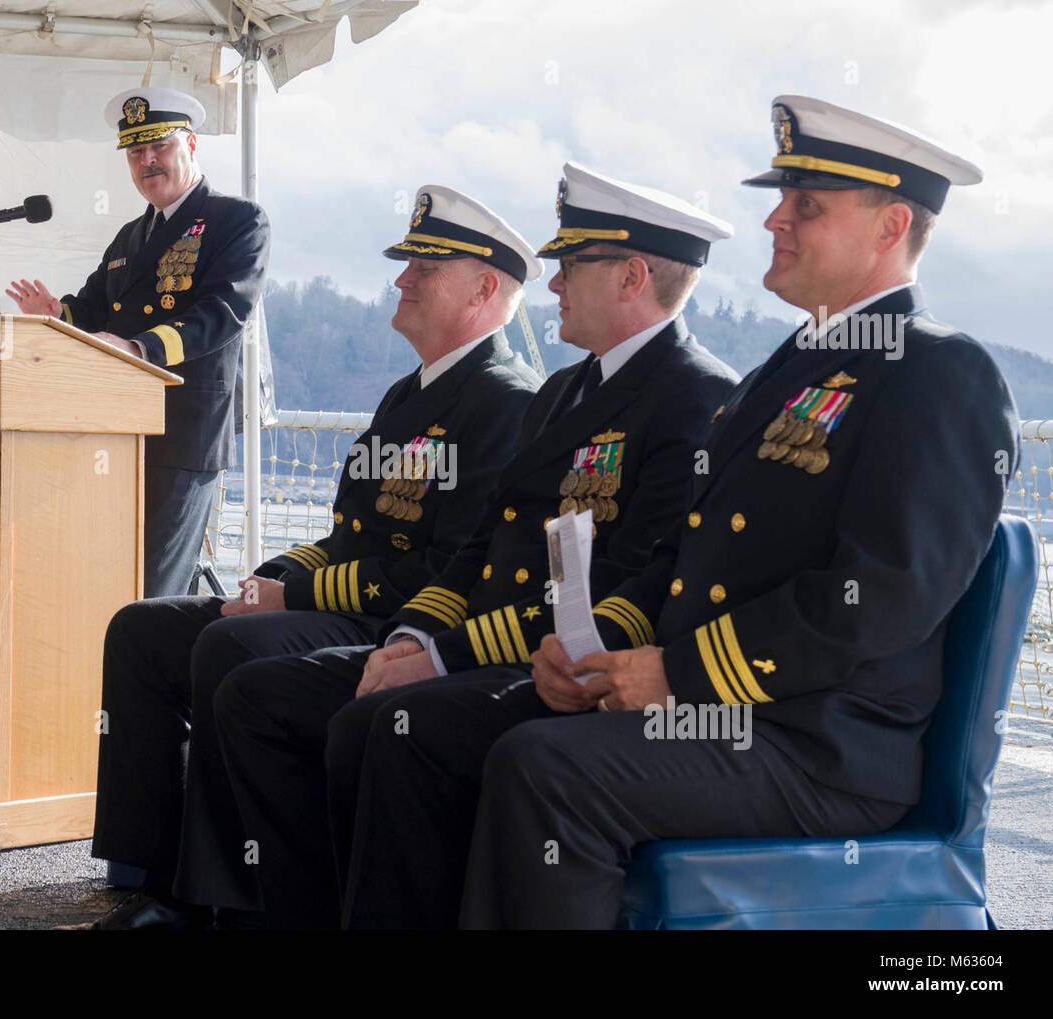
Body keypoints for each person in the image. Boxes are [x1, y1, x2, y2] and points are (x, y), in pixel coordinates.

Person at [454, 94, 1020, 929]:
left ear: (891, 225)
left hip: (816, 748)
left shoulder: (939, 371)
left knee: (546, 771)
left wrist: (678, 678)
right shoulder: (785, 369)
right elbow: (687, 560)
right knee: (442, 731)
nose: (775, 221)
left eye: (806, 206)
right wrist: (594, 650)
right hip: (734, 717)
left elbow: (879, 599)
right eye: (783, 200)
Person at [210, 164, 741, 928]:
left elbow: (627, 587)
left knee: (392, 730)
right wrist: (413, 636)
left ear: (631, 277)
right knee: (262, 696)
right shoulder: (565, 392)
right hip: (483, 640)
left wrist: (448, 657)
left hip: (562, 663)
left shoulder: (697, 396)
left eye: (572, 264)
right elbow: (485, 543)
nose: (552, 284)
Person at [69, 185, 544, 930]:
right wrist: (278, 576)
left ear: (485, 288)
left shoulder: (503, 402)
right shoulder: (405, 398)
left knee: (232, 644)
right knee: (142, 629)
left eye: (424, 267)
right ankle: (144, 872)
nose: (401, 280)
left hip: (398, 624)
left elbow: (452, 569)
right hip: (344, 601)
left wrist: (294, 600)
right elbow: (348, 534)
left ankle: (221, 899)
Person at [6, 87, 270, 597]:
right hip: (113, 431)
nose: (147, 160)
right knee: (104, 584)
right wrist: (57, 316)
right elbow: (94, 310)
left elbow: (224, 312)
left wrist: (141, 350)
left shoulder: (235, 221)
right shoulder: (130, 236)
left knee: (152, 590)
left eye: (159, 147)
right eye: (135, 152)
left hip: (182, 432)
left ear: (190, 145)